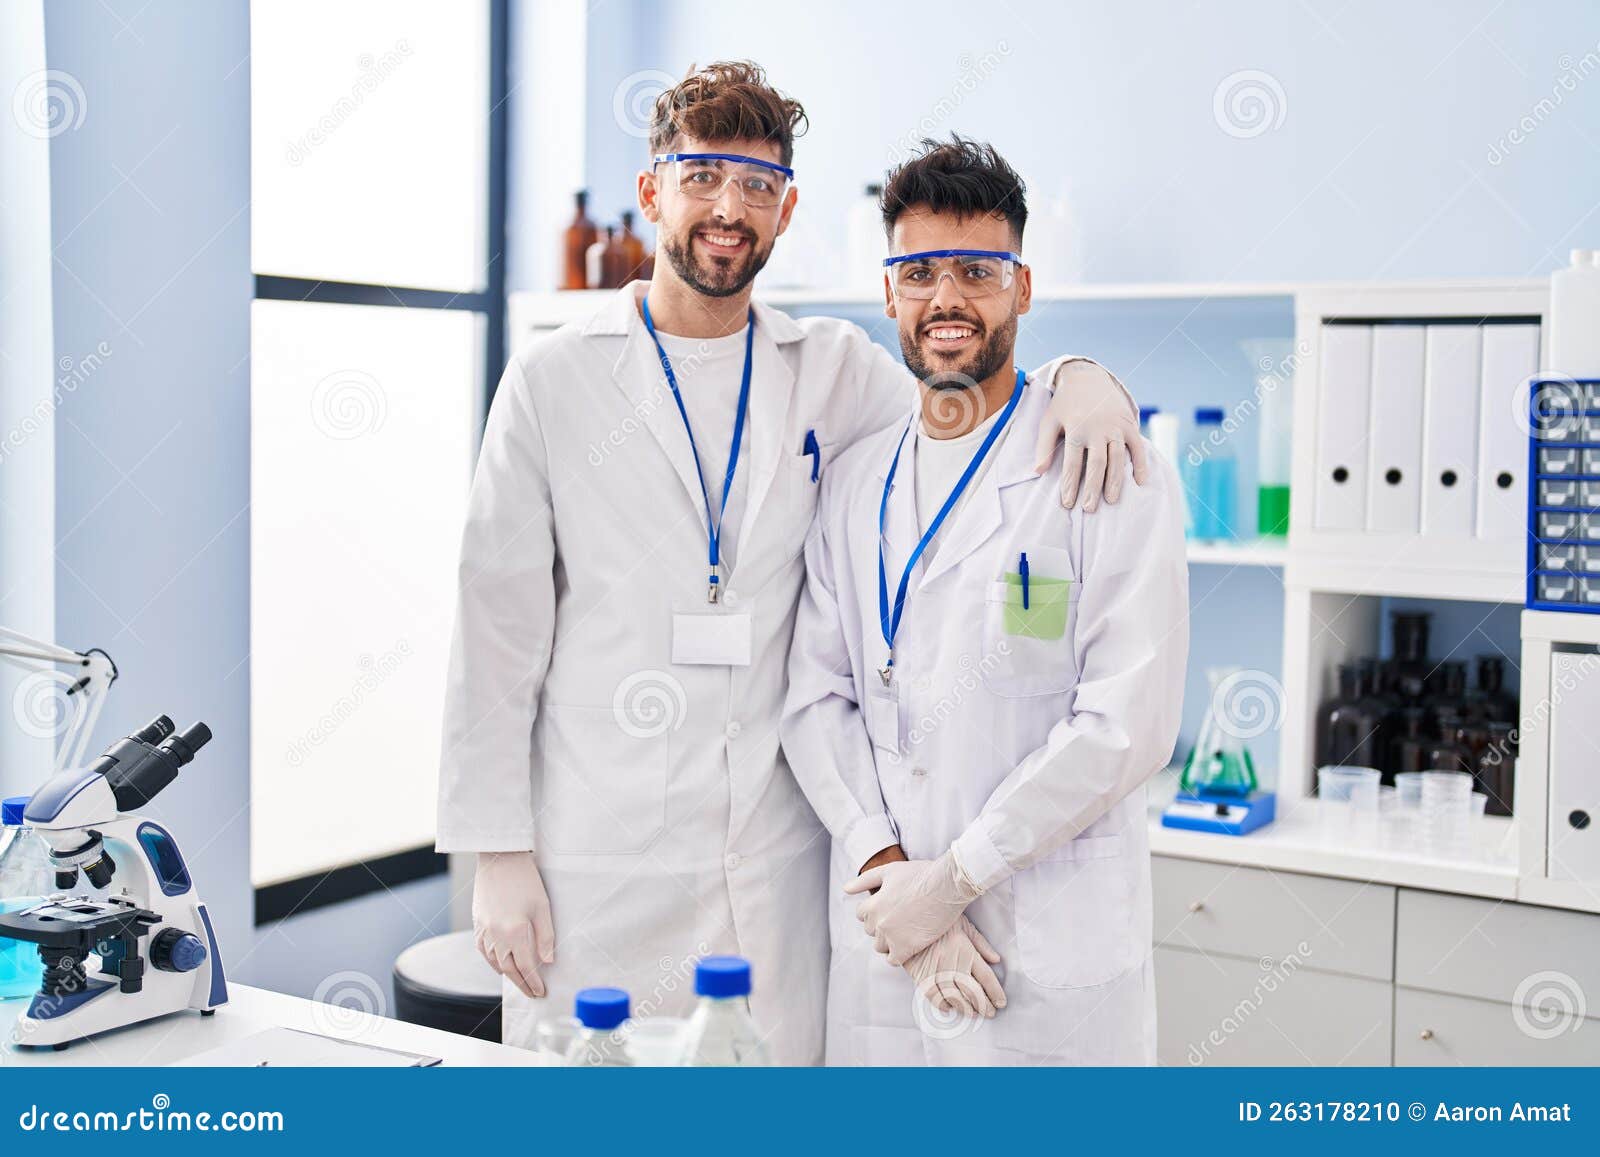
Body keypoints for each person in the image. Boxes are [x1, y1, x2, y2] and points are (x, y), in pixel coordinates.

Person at [435, 62, 1148, 1065]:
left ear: (785, 211)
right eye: (702, 178)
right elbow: (494, 627)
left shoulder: (835, 368)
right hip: (598, 858)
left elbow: (969, 380)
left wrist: (1082, 375)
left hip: (775, 863)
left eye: (758, 186)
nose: (729, 209)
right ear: (652, 192)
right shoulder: (554, 379)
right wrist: (496, 852)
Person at [781, 137, 1189, 1065]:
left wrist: (957, 879)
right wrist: (898, 881)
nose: (947, 299)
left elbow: (1126, 723)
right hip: (890, 947)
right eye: (919, 272)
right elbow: (816, 699)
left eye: (978, 270)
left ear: (1023, 288)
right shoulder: (855, 483)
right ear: (888, 292)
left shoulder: (1104, 466)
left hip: (1044, 959)